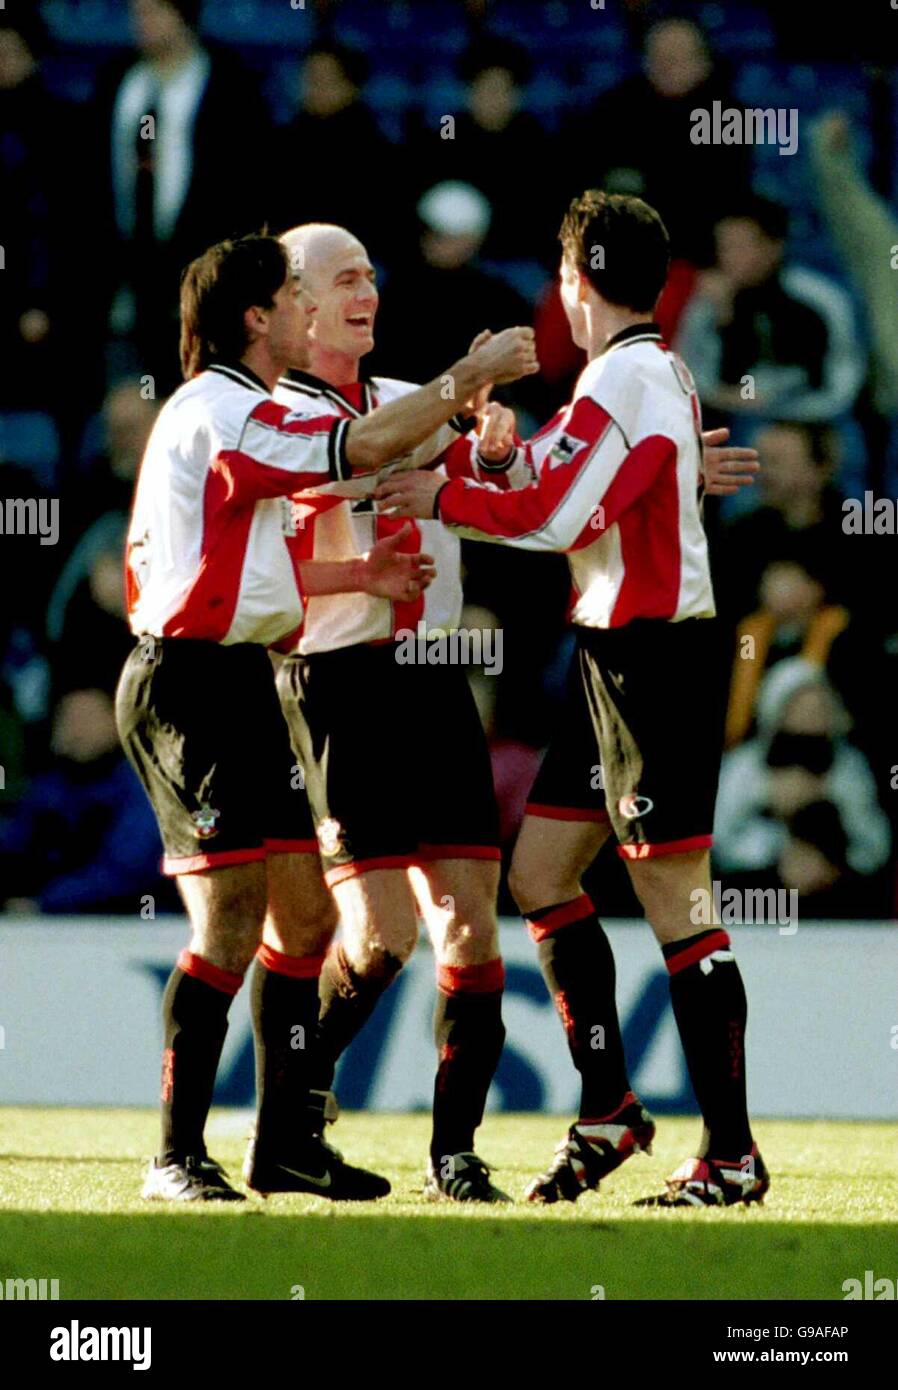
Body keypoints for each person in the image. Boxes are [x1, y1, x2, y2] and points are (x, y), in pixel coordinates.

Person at [269, 219, 756, 1202]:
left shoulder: (619, 378)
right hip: (418, 677)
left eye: (372, 273)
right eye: (345, 277)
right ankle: (608, 1106)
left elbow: (559, 509)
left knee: (670, 907)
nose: (368, 291)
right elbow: (537, 470)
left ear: (576, 279)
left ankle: (729, 1154)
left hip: (645, 661)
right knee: (534, 877)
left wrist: (461, 485)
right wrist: (493, 450)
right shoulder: (623, 378)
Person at [117, 229, 537, 1202]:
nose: (352, 296)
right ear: (272, 310)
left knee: (305, 918)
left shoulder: (271, 406)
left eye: (366, 275)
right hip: (221, 674)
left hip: (280, 674)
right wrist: (464, 378)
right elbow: (351, 455)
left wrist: (490, 443)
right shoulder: (233, 411)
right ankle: (177, 1155)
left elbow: (475, 481)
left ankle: (294, 1140)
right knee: (243, 918)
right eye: (325, 284)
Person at [676, 195, 865, 426]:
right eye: (725, 247)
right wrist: (722, 323)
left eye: (743, 247)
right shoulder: (711, 301)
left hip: (811, 419)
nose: (732, 258)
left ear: (774, 247)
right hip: (735, 419)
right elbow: (690, 380)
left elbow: (842, 382)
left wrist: (784, 412)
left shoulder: (819, 297)